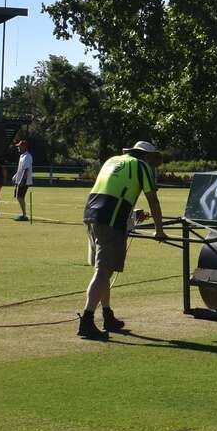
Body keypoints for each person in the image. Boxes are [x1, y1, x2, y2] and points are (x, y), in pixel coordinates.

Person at [77, 140, 168, 340]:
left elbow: (114, 190)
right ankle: (87, 319)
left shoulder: (113, 160)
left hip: (91, 214)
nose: (153, 165)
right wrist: (159, 230)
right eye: (152, 160)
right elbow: (152, 199)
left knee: (103, 271)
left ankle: (107, 314)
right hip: (111, 219)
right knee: (103, 271)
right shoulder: (141, 166)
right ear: (146, 156)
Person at [12, 137, 34, 222]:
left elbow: (26, 170)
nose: (18, 147)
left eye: (19, 146)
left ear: (24, 147)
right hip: (20, 179)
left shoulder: (27, 156)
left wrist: (21, 181)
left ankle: (24, 215)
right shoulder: (22, 156)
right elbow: (20, 169)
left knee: (20, 197)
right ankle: (23, 214)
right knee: (19, 197)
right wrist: (15, 176)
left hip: (24, 181)